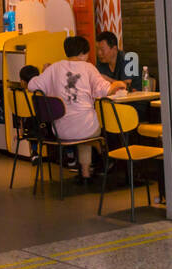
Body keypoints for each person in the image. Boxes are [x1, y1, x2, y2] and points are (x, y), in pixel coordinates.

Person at [25, 35, 125, 183]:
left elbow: (31, 86)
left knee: (80, 128)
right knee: (87, 128)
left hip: (61, 130)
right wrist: (119, 84)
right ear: (84, 53)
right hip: (87, 127)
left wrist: (44, 72)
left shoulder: (54, 68)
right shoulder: (89, 67)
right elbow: (106, 90)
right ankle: (98, 163)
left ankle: (85, 174)